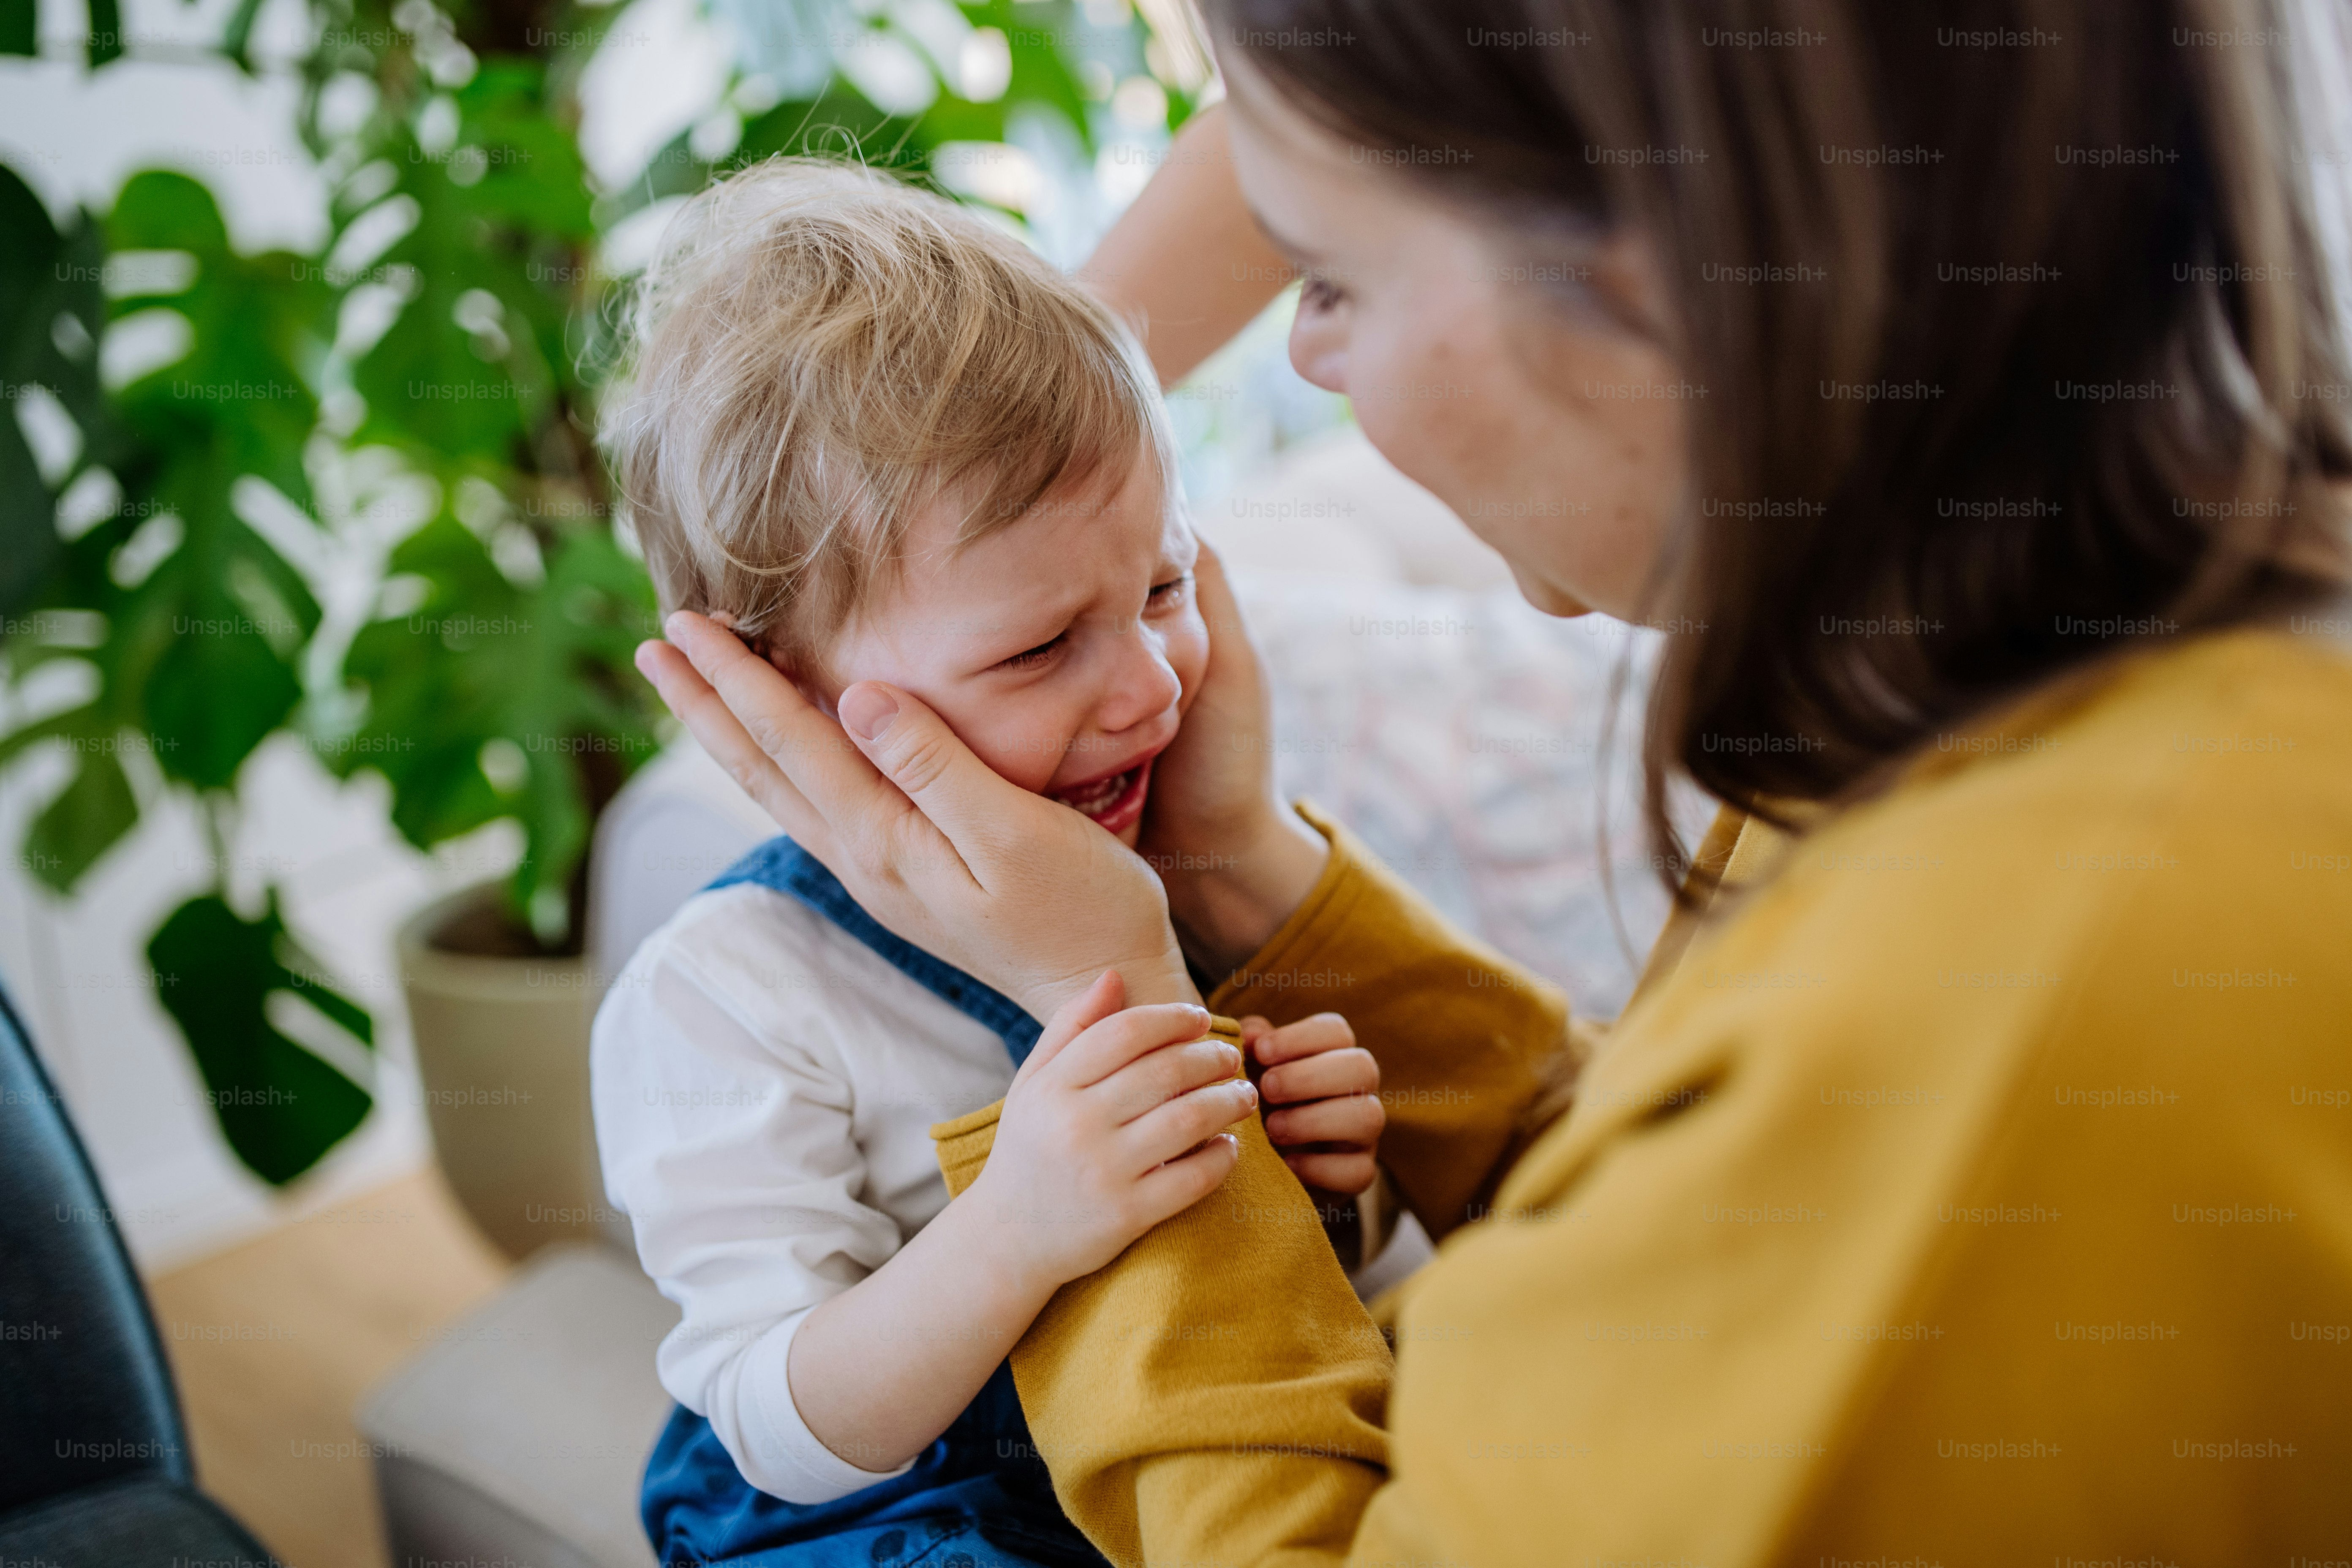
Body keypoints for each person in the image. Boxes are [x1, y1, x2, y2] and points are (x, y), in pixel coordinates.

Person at [635, 0, 2352, 1561]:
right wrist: (1242, 886)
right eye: (1032, 646)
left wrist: (1138, 1028)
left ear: (1676, 249)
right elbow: (1647, 1226)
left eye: (1331, 275)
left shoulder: (2023, 988)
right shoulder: (2009, 720)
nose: (1304, 356)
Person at [589, 158, 1386, 1568]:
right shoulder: (725, 992)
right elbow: (779, 1431)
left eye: (1160, 586)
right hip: (900, 1521)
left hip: (1166, 1466)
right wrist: (1016, 1227)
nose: (1149, 687)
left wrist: (1321, 1193)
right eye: (1035, 648)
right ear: (778, 690)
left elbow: (1261, 1311)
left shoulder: (1145, 862)